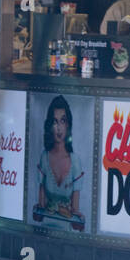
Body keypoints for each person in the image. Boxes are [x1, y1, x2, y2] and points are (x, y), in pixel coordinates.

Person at [34, 96, 84, 224]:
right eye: (55, 122)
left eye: (63, 121)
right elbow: (41, 208)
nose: (59, 128)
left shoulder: (75, 161)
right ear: (50, 125)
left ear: (68, 125)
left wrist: (78, 219)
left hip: (67, 231)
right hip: (46, 228)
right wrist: (38, 210)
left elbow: (75, 210)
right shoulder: (44, 157)